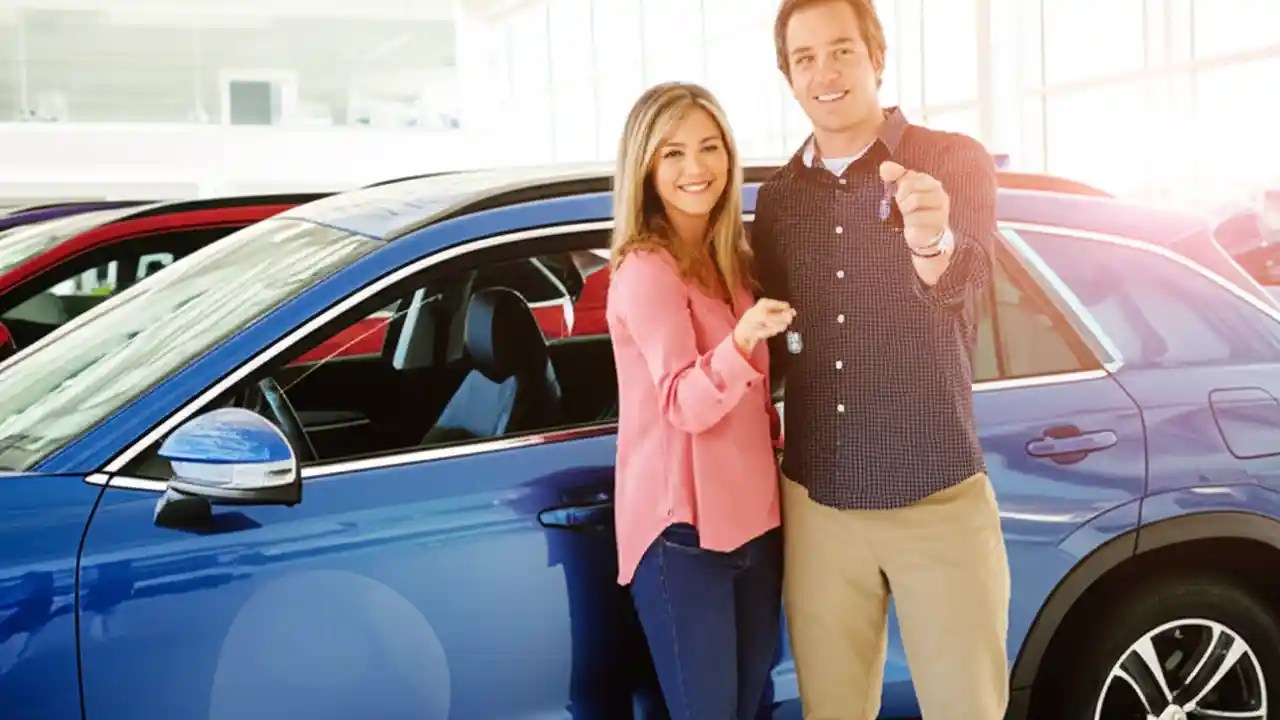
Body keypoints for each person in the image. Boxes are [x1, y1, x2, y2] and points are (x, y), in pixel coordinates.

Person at [751, 1, 1010, 718]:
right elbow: (777, 343)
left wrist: (932, 244)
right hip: (819, 507)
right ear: (788, 75)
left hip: (937, 498)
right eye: (805, 58)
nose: (824, 72)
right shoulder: (775, 202)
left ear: (877, 58)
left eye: (841, 51)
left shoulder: (950, 159)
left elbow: (971, 282)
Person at [606, 81, 796, 720]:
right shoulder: (644, 272)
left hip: (757, 524)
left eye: (709, 148)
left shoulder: (733, 261)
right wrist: (741, 341)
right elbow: (684, 403)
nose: (697, 168)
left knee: (754, 708)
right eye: (674, 153)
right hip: (684, 536)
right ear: (647, 168)